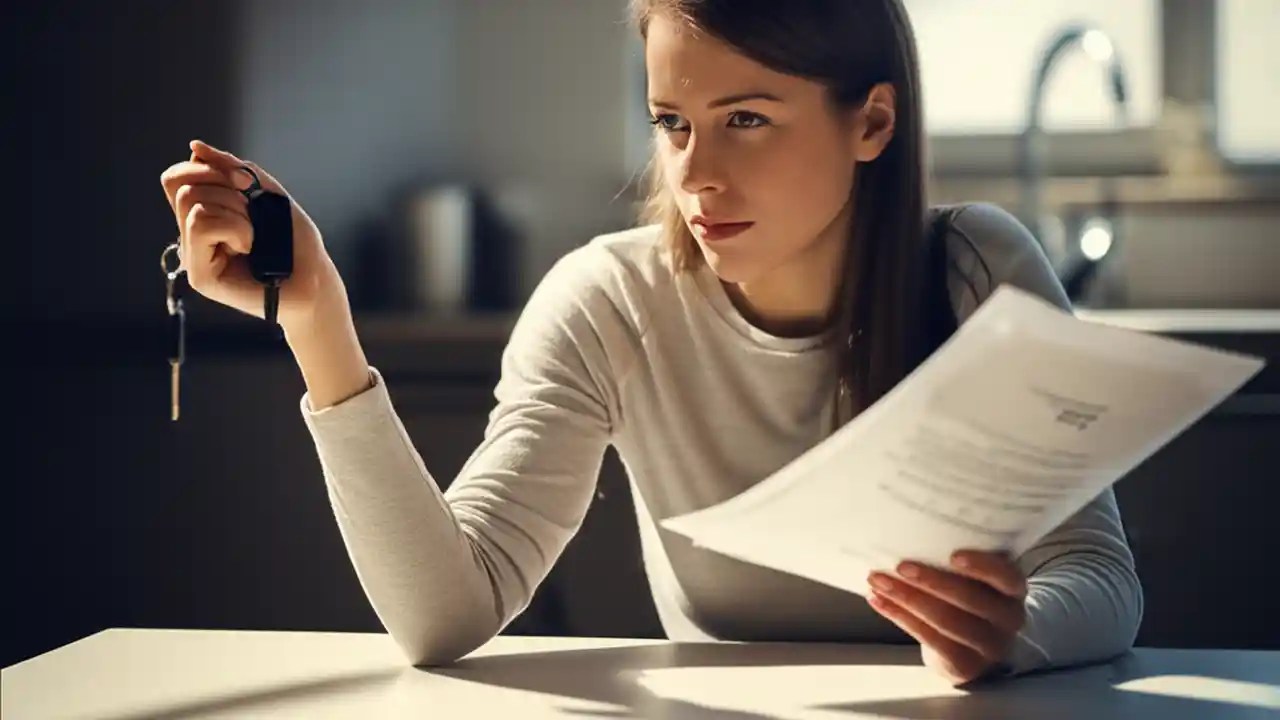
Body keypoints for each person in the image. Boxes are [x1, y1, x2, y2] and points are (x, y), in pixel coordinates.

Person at [159, 0, 1141, 687]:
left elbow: (1099, 580)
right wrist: (316, 320)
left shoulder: (971, 269)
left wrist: (1010, 634)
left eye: (745, 119)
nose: (695, 173)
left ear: (871, 122)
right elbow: (442, 616)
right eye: (671, 122)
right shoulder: (607, 298)